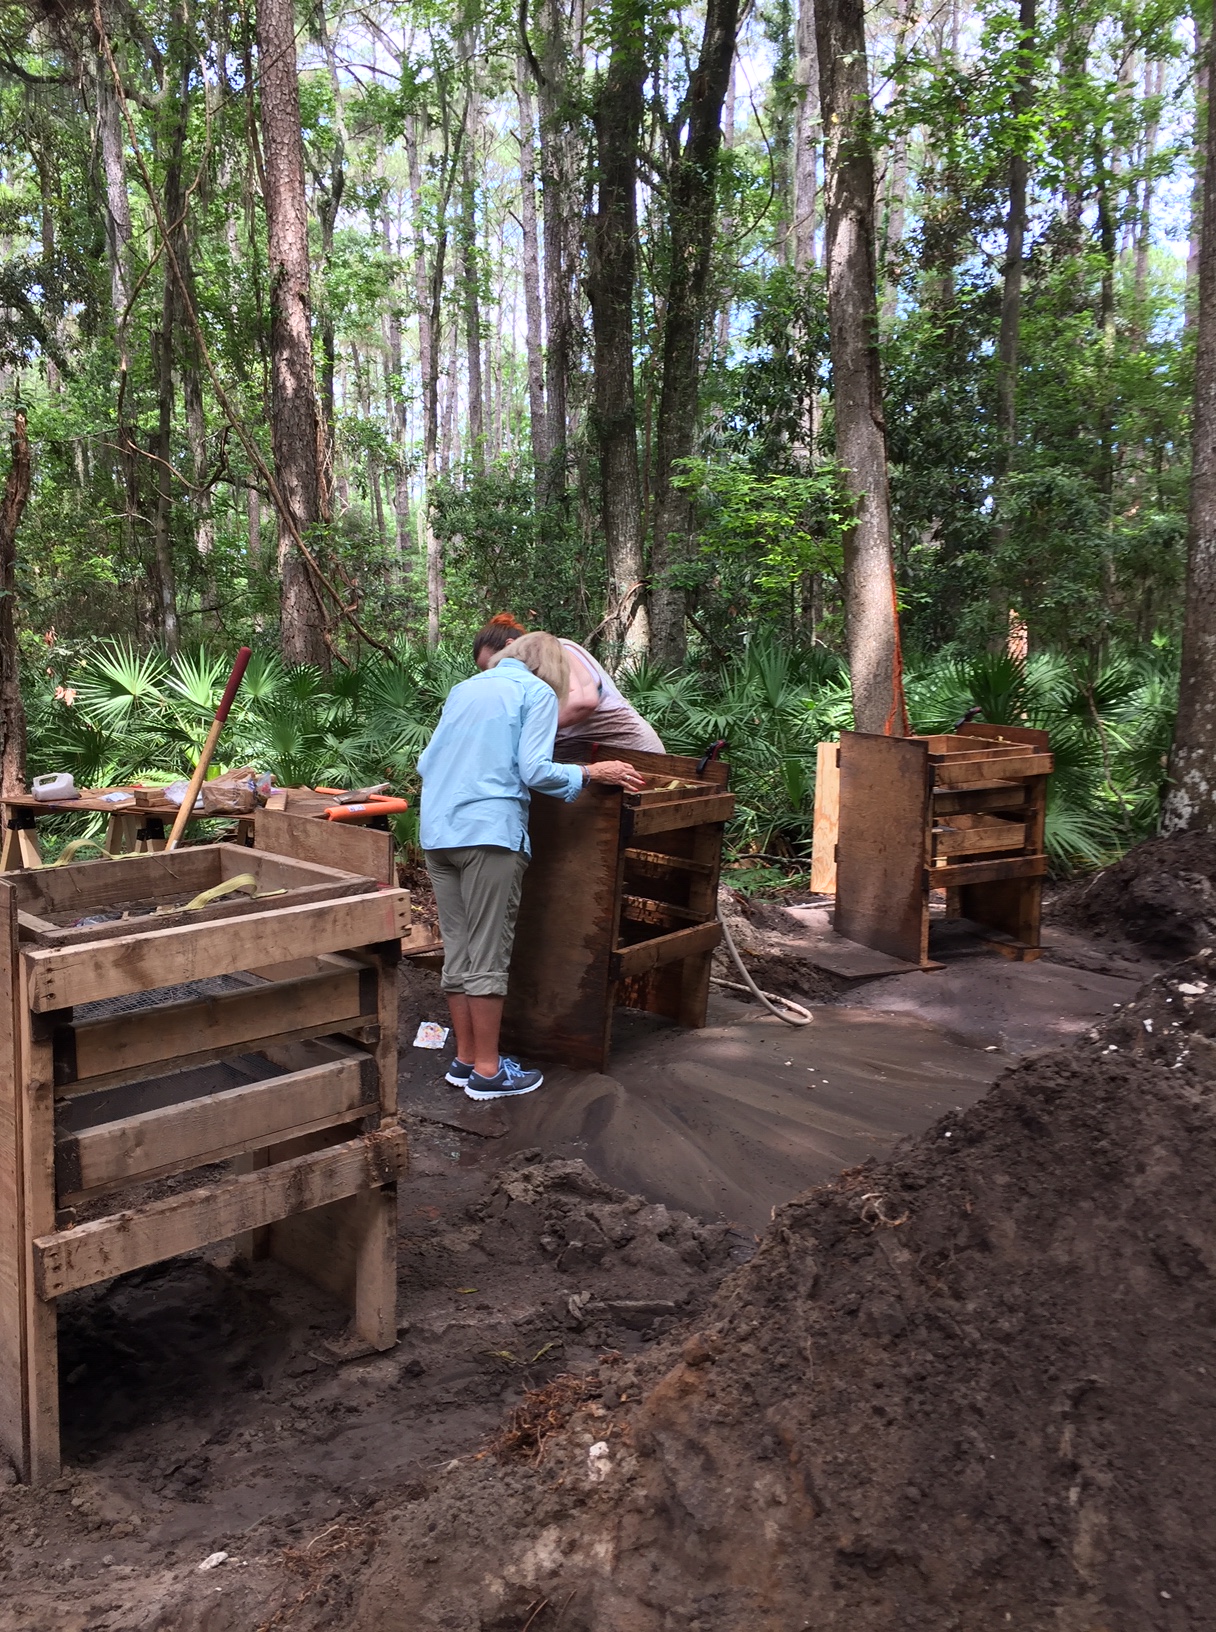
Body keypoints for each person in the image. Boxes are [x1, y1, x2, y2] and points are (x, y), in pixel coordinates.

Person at [417, 631, 646, 1102]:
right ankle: (488, 1071)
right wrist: (591, 772)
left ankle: (463, 1060)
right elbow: (536, 770)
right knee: (488, 954)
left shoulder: (465, 689)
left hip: (438, 832)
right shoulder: (536, 691)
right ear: (550, 670)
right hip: (489, 835)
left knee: (458, 951)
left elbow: (426, 762)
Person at [471, 614, 664, 755]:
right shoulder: (526, 680)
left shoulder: (559, 649)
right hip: (593, 760)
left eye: (494, 667)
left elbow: (582, 702)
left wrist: (521, 731)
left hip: (634, 752)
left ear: (509, 646)